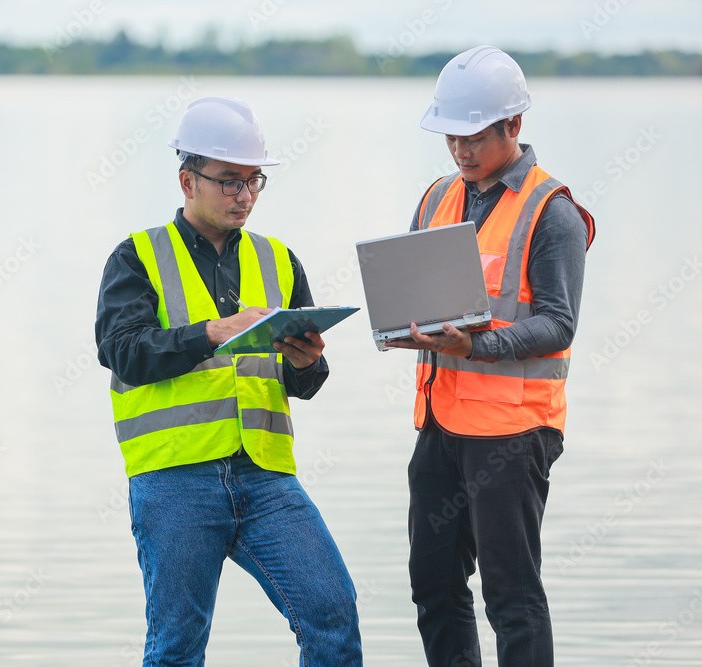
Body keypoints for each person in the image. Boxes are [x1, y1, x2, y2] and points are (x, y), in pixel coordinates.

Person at [95, 96, 362, 666]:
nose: (244, 196)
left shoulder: (280, 259)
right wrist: (211, 331)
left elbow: (308, 381)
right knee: (177, 648)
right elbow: (122, 353)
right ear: (188, 181)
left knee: (333, 618)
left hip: (266, 477)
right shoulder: (136, 257)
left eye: (253, 182)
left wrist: (306, 361)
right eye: (229, 182)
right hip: (174, 481)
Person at [387, 46, 596, 666]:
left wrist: (477, 345)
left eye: (475, 137)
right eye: (451, 136)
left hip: (513, 432)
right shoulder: (435, 198)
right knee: (434, 584)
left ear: (515, 125)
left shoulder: (551, 210)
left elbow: (558, 325)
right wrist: (405, 326)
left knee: (511, 593)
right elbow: (420, 293)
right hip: (441, 424)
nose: (461, 151)